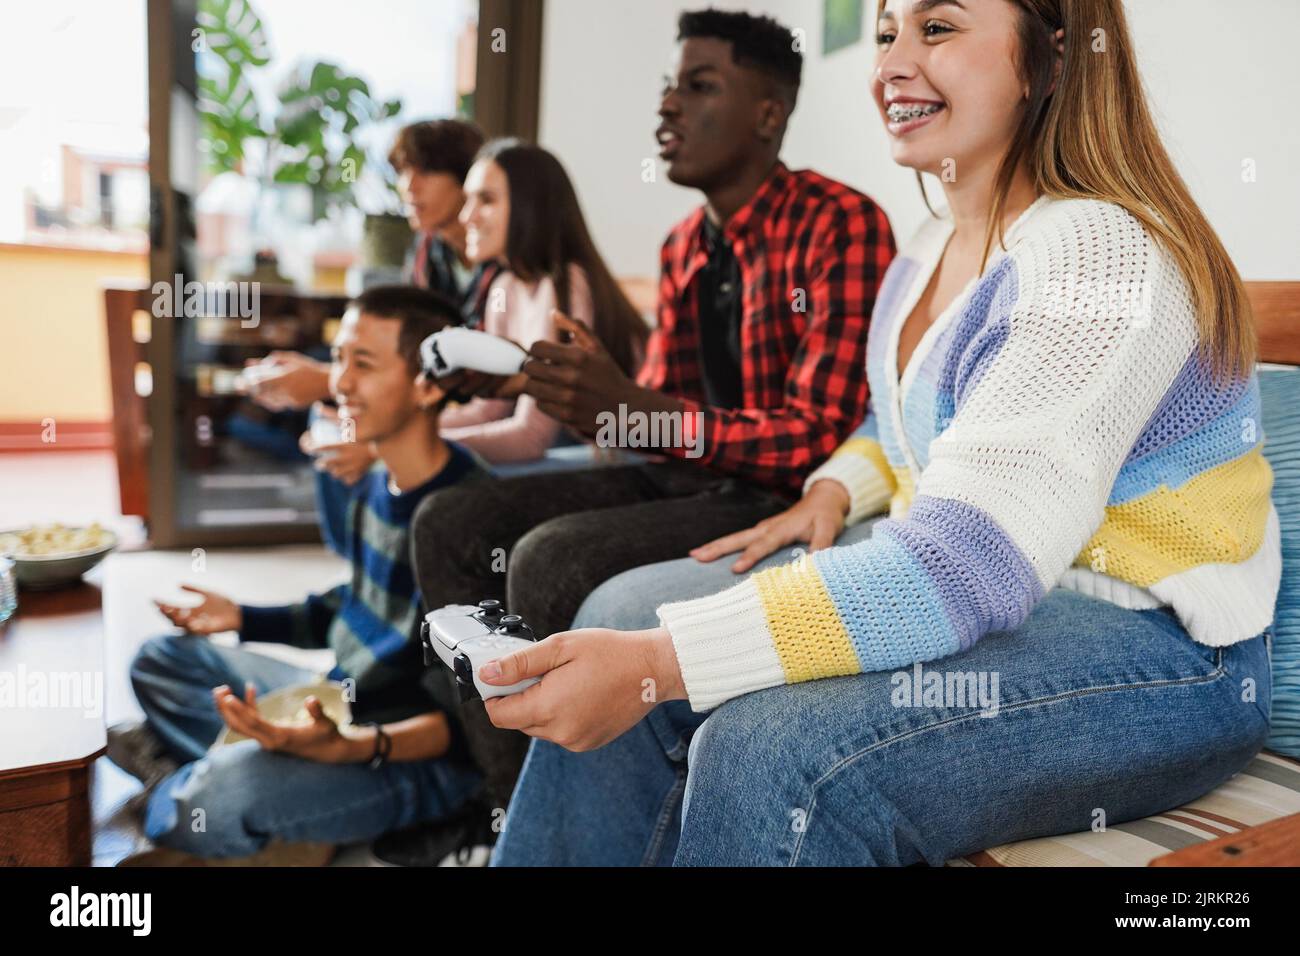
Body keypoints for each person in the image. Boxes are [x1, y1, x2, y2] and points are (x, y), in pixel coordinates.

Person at [485, 0, 1280, 866]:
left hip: (1159, 650)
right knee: (617, 607)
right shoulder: (930, 245)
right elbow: (902, 417)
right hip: (996, 584)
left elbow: (963, 562)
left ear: (1049, 56)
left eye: (936, 28)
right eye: (885, 34)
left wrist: (666, 660)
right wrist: (835, 486)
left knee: (769, 751)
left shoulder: (1101, 255)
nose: (892, 64)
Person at [406, 7, 894, 859]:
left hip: (777, 495)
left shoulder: (839, 222)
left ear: (768, 114)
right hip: (689, 478)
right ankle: (507, 808)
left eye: (699, 85)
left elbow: (817, 437)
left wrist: (634, 406)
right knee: (450, 523)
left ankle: (561, 828)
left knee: (548, 561)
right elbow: (653, 415)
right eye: (669, 84)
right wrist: (577, 391)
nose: (668, 105)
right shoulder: (681, 248)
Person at [106, 286, 491, 862]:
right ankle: (281, 806)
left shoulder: (469, 517)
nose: (339, 383)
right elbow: (356, 604)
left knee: (207, 800)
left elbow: (471, 714)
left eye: (363, 364)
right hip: (340, 700)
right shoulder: (376, 481)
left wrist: (346, 750)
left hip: (413, 758)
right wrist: (242, 616)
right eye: (337, 358)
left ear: (430, 385)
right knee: (160, 660)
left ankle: (198, 791)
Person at [243, 119, 497, 554]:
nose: (408, 187)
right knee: (331, 421)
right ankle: (360, 571)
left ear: (468, 179)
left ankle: (370, 575)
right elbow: (403, 348)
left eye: (426, 172)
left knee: (349, 422)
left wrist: (376, 438)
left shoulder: (501, 266)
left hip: (462, 403)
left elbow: (479, 387)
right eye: (402, 172)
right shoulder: (429, 250)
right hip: (433, 396)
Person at [437, 138, 649, 462]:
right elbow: (489, 410)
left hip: (626, 453)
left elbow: (530, 438)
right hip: (569, 445)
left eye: (486, 200)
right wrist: (399, 430)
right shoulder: (504, 288)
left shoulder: (568, 286)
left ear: (530, 206)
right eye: (467, 200)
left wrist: (422, 446)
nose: (466, 216)